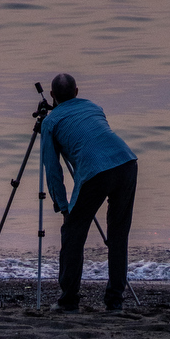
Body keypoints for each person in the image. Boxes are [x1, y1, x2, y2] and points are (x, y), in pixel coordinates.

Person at [40, 73, 138, 312]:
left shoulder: (50, 123)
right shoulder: (95, 107)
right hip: (126, 162)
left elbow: (53, 171)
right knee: (118, 235)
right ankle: (115, 300)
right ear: (76, 91)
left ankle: (69, 300)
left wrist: (63, 207)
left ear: (52, 96)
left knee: (73, 232)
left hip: (96, 171)